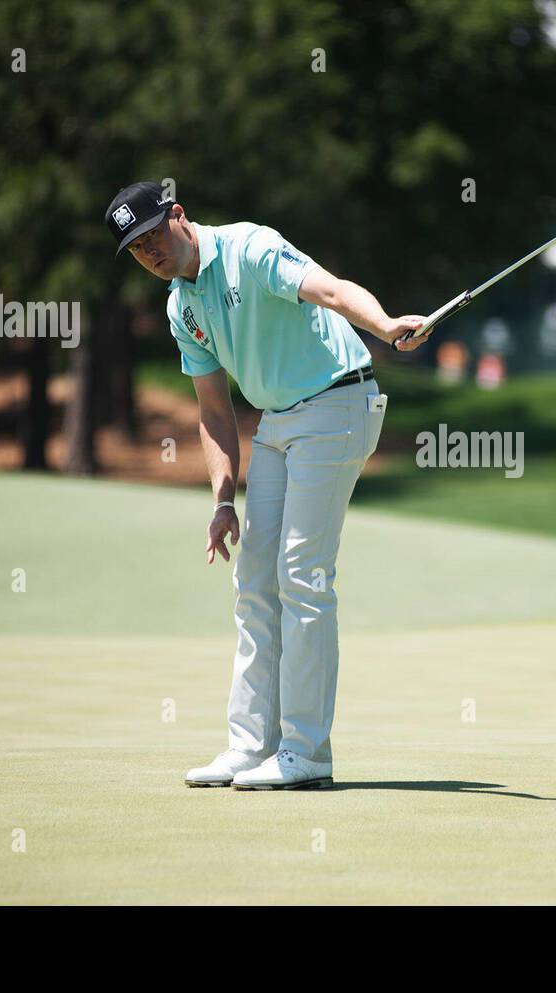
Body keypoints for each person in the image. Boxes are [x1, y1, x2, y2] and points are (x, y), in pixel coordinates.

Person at [104, 182, 427, 789]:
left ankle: (307, 753)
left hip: (337, 401)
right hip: (280, 420)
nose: (148, 251)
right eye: (135, 247)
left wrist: (384, 324)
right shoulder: (182, 307)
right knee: (253, 578)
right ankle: (252, 745)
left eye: (153, 235)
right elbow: (213, 410)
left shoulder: (250, 248)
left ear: (178, 215)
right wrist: (223, 500)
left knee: (302, 575)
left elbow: (330, 289)